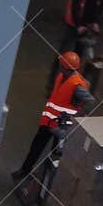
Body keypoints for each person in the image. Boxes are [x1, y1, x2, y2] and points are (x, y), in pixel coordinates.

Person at [13, 51, 93, 181]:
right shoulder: (61, 76)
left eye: (61, 64)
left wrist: (76, 117)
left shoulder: (77, 86)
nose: (59, 66)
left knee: (55, 155)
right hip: (49, 121)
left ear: (66, 68)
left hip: (61, 126)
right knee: (36, 147)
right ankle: (24, 171)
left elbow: (90, 101)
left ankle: (47, 182)